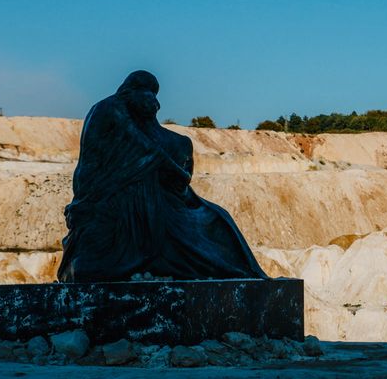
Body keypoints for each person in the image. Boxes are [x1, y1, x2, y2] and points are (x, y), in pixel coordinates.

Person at [58, 70, 267, 283]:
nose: (155, 103)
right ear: (136, 91)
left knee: (216, 220)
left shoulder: (124, 113)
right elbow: (144, 147)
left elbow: (163, 168)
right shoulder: (112, 109)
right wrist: (178, 172)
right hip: (108, 197)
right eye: (151, 94)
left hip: (133, 196)